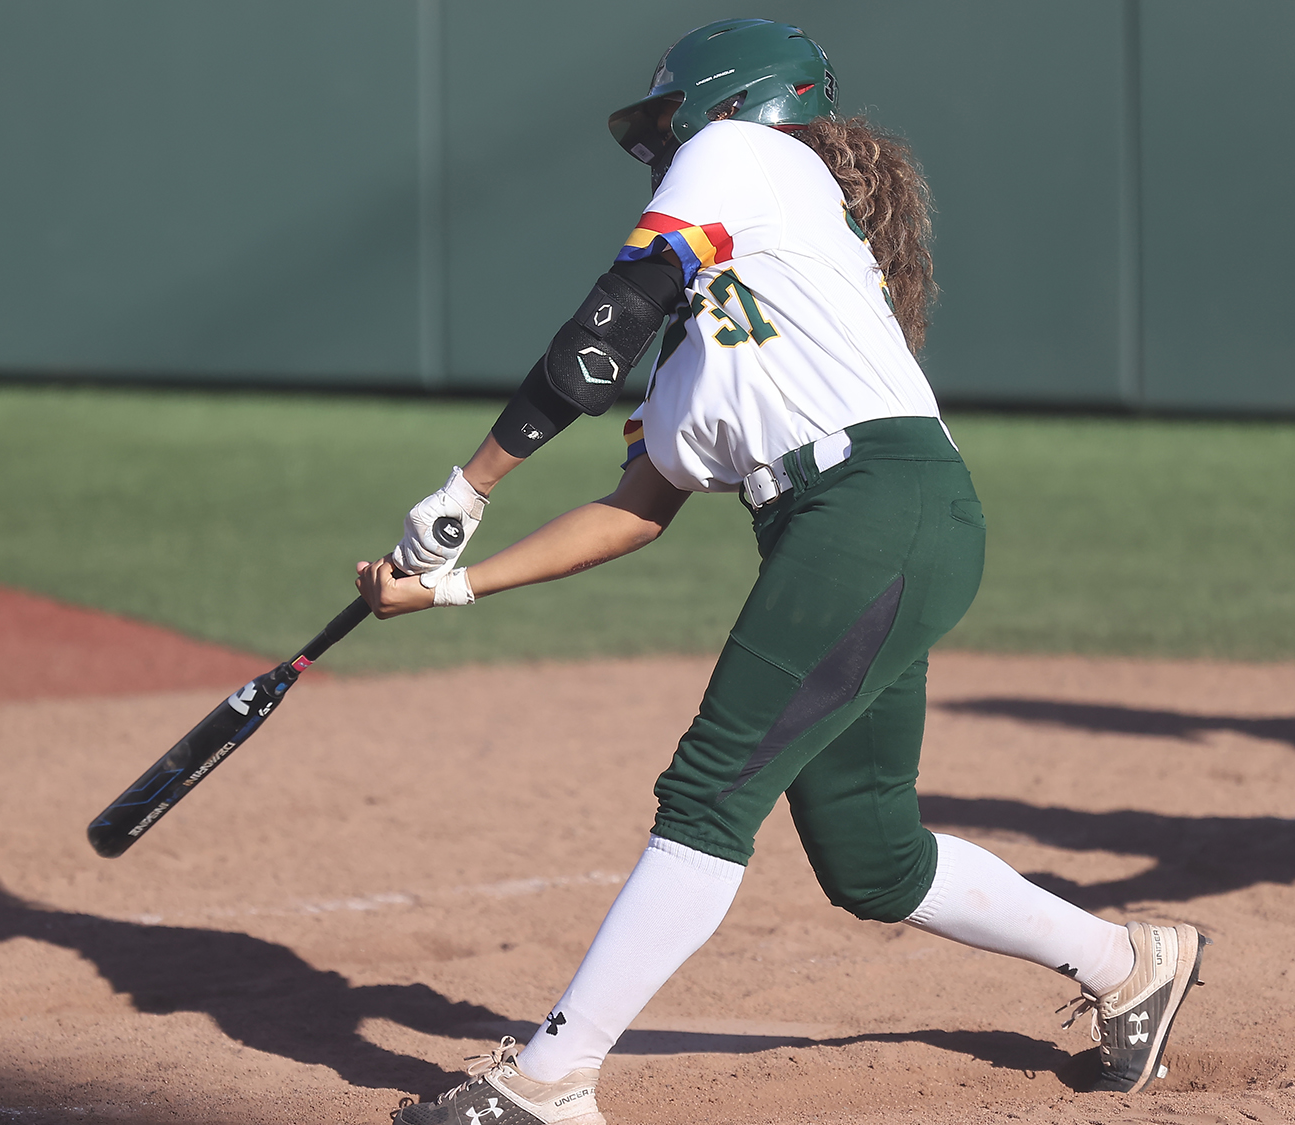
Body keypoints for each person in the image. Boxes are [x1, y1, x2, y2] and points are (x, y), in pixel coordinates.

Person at [357, 20, 1207, 1124]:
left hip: (874, 505)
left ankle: (550, 1080)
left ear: (727, 107)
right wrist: (448, 585)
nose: (659, 154)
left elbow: (607, 318)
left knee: (708, 794)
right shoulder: (697, 350)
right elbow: (630, 513)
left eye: (666, 128)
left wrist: (470, 484)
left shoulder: (753, 156)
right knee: (871, 860)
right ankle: (1127, 963)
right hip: (847, 532)